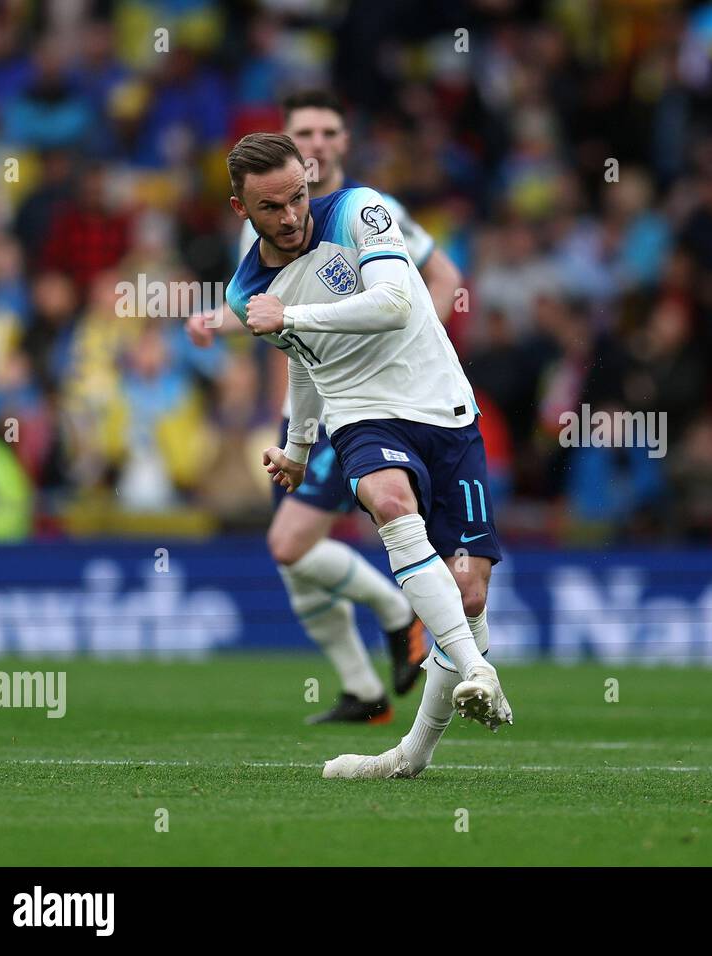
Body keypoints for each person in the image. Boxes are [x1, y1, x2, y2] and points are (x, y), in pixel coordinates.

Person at [223, 133, 511, 780]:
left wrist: (290, 313)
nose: (291, 216)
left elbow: (394, 304)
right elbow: (304, 364)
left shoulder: (361, 210)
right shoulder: (247, 294)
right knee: (387, 499)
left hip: (442, 405)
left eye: (298, 197)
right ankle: (477, 669)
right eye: (271, 208)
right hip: (360, 411)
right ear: (241, 210)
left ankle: (410, 757)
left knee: (468, 593)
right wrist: (299, 449)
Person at [188, 90, 462, 723]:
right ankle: (365, 686)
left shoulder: (372, 211)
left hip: (377, 400)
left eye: (329, 131)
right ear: (286, 143)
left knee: (292, 542)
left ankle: (397, 626)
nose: (316, 142)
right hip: (310, 392)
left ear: (341, 144)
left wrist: (413, 360)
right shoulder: (255, 223)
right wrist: (221, 323)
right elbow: (269, 312)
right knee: (289, 550)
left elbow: (442, 278)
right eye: (303, 131)